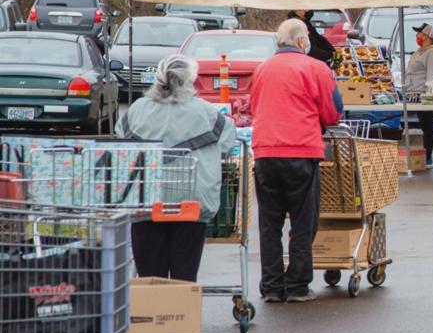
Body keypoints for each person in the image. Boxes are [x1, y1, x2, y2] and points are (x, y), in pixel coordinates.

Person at [117, 54, 236, 281]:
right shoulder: (207, 113)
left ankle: (152, 313)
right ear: (190, 79)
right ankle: (182, 312)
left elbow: (122, 138)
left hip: (146, 200)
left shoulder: (136, 110)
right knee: (184, 274)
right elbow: (226, 144)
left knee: (150, 276)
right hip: (191, 201)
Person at [251, 19, 342, 303]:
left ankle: (272, 286)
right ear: (303, 41)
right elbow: (332, 114)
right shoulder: (317, 69)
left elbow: (254, 106)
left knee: (270, 223)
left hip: (266, 153)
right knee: (303, 222)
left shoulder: (262, 68)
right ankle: (298, 284)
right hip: (301, 151)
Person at [407, 22, 433, 169]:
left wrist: (428, 96)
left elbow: (432, 76)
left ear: (428, 36)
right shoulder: (420, 51)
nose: (417, 36)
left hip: (423, 96)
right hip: (413, 95)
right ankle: (425, 157)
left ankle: (428, 157)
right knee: (425, 125)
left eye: (420, 34)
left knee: (427, 126)